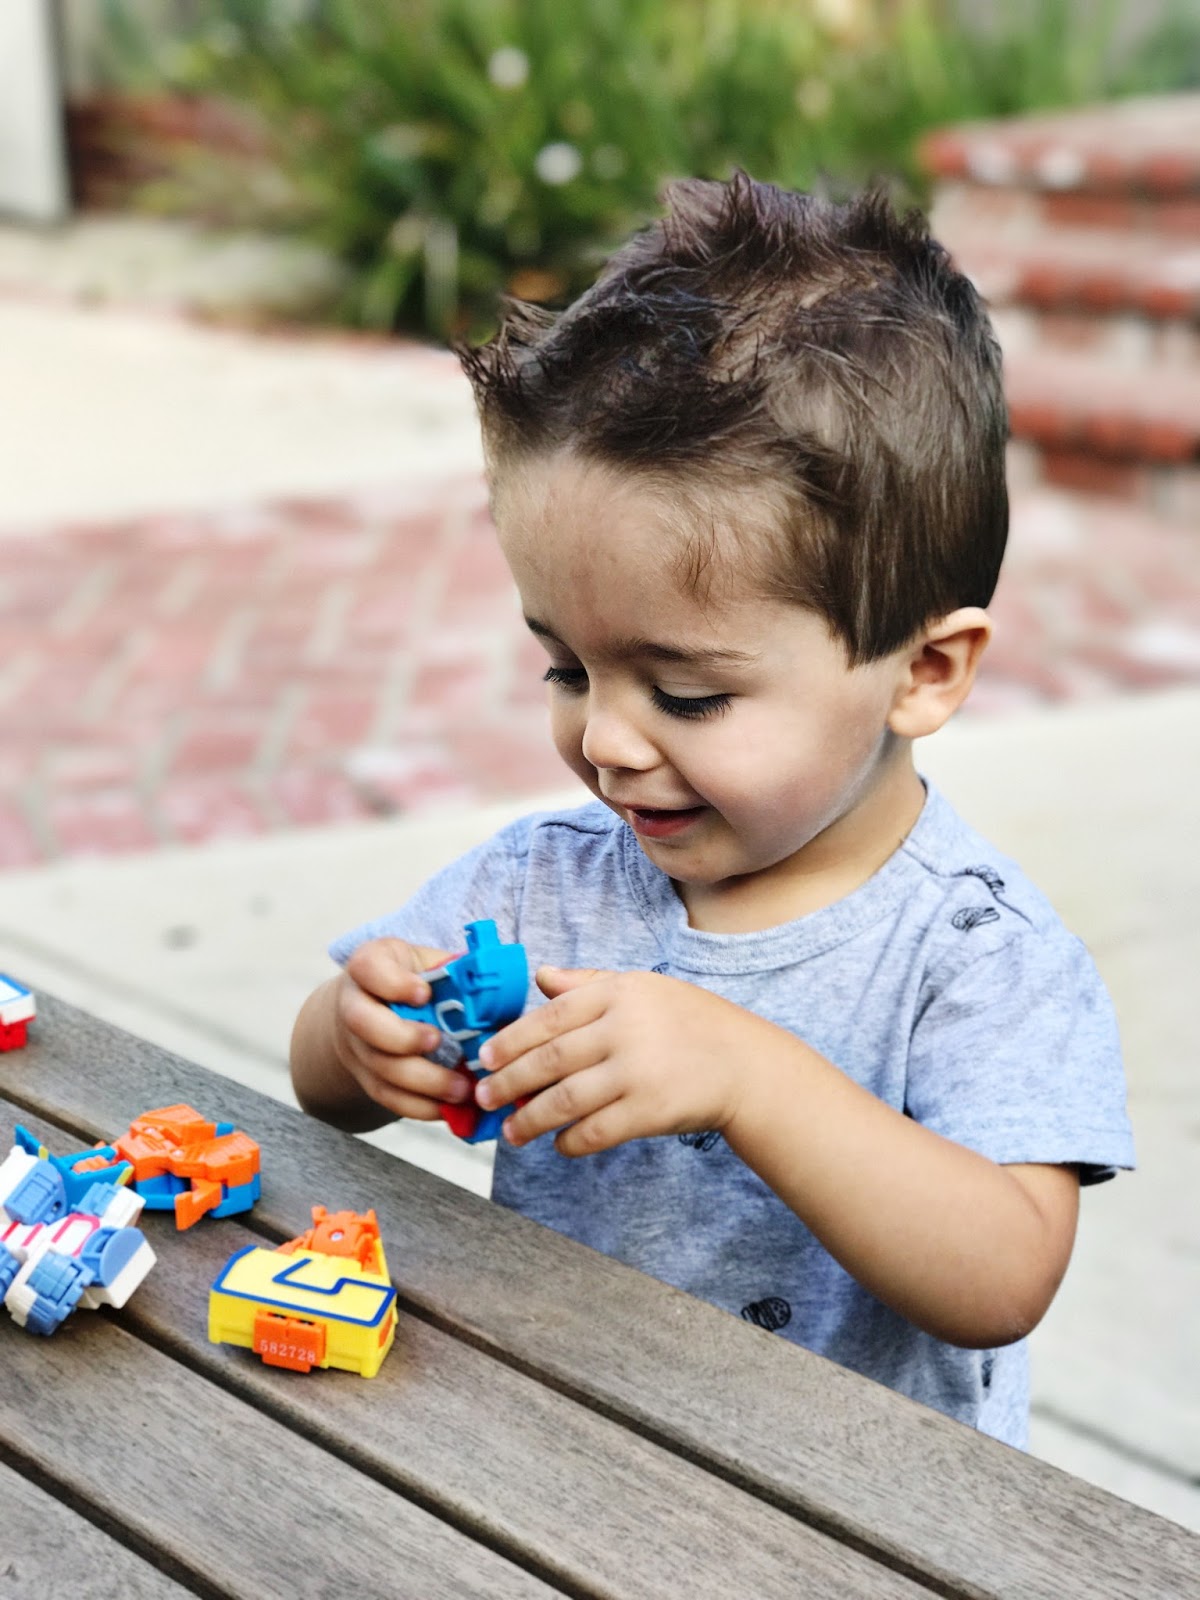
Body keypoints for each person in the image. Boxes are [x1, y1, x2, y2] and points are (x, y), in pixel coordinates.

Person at [290, 174, 1133, 1446]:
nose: (607, 740)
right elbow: (322, 1084)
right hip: (560, 1450)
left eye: (686, 693)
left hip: (845, 1522)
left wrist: (749, 1074)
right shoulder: (548, 880)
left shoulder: (970, 953)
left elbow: (1004, 1274)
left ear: (923, 672)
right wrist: (361, 1040)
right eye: (567, 668)